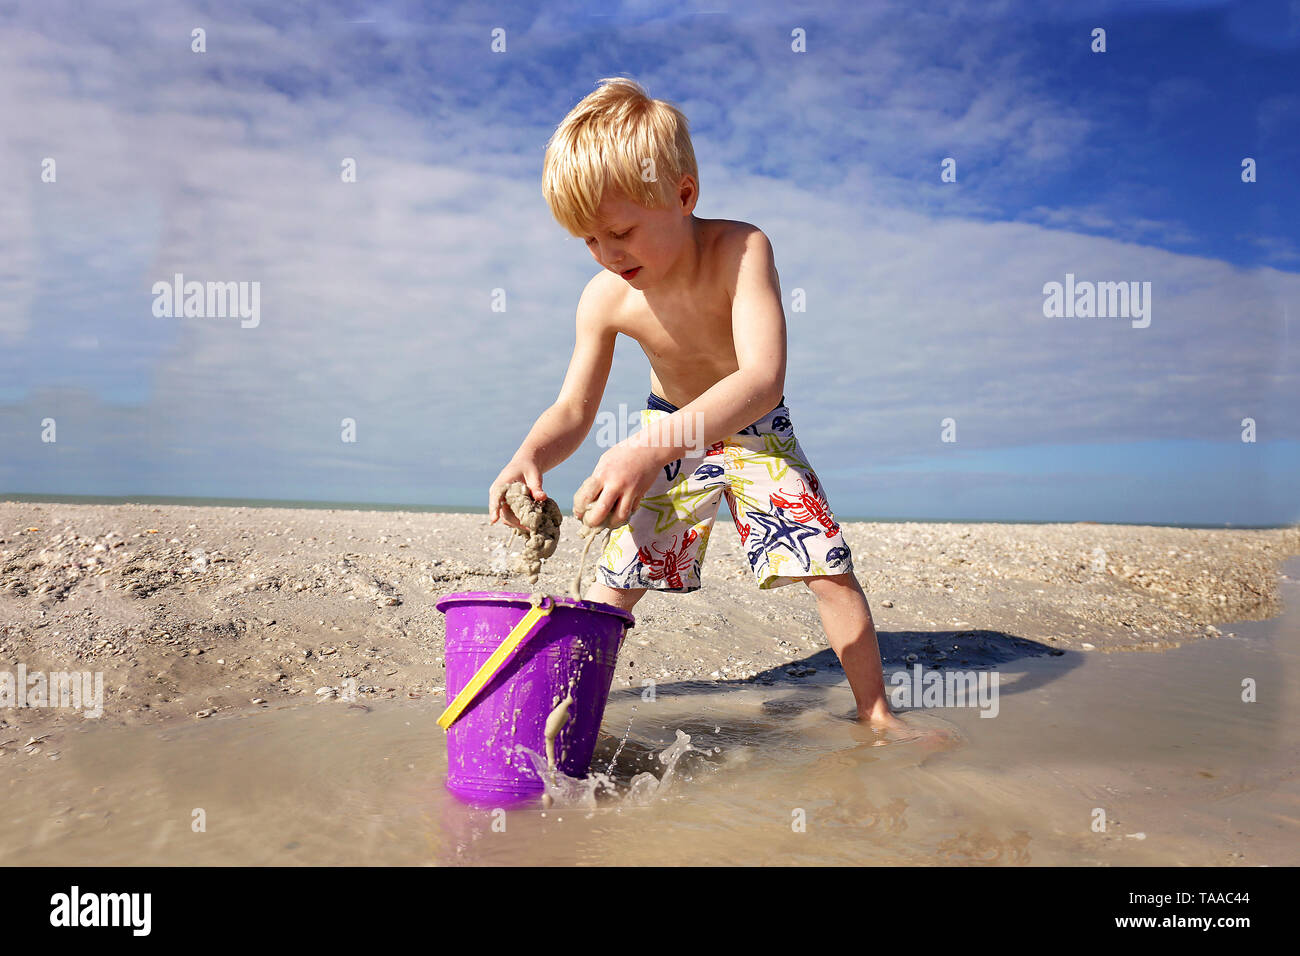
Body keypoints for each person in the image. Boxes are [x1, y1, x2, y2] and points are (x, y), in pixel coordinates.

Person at [488, 77, 910, 737]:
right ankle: (568, 721)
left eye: (620, 231)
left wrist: (649, 447)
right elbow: (573, 407)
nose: (607, 254)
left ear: (683, 195)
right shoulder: (606, 298)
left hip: (752, 433)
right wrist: (529, 456)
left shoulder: (740, 252)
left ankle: (878, 715)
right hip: (664, 429)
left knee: (825, 569)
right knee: (614, 580)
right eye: (590, 241)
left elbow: (763, 378)